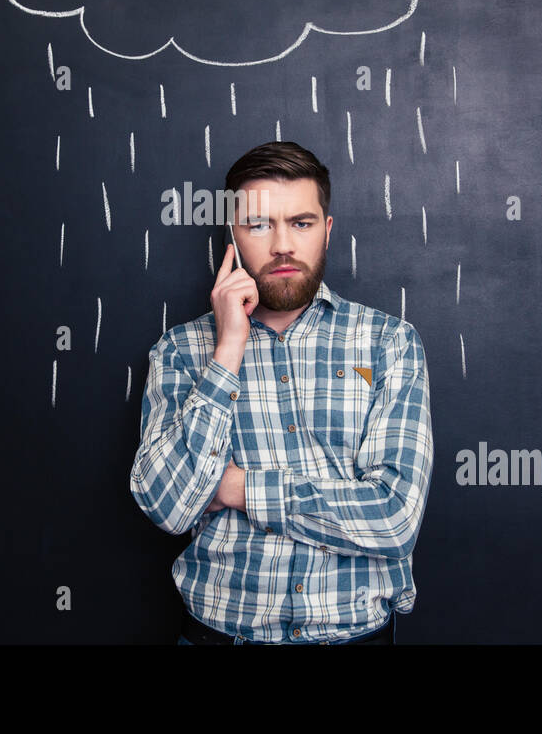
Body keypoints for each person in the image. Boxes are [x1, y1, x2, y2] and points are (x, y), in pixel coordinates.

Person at [129, 141, 434, 644]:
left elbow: (395, 518)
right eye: (258, 225)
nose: (282, 245)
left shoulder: (389, 343)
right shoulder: (181, 351)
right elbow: (169, 506)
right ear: (232, 236)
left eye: (301, 223)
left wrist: (236, 488)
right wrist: (227, 349)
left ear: (327, 231)